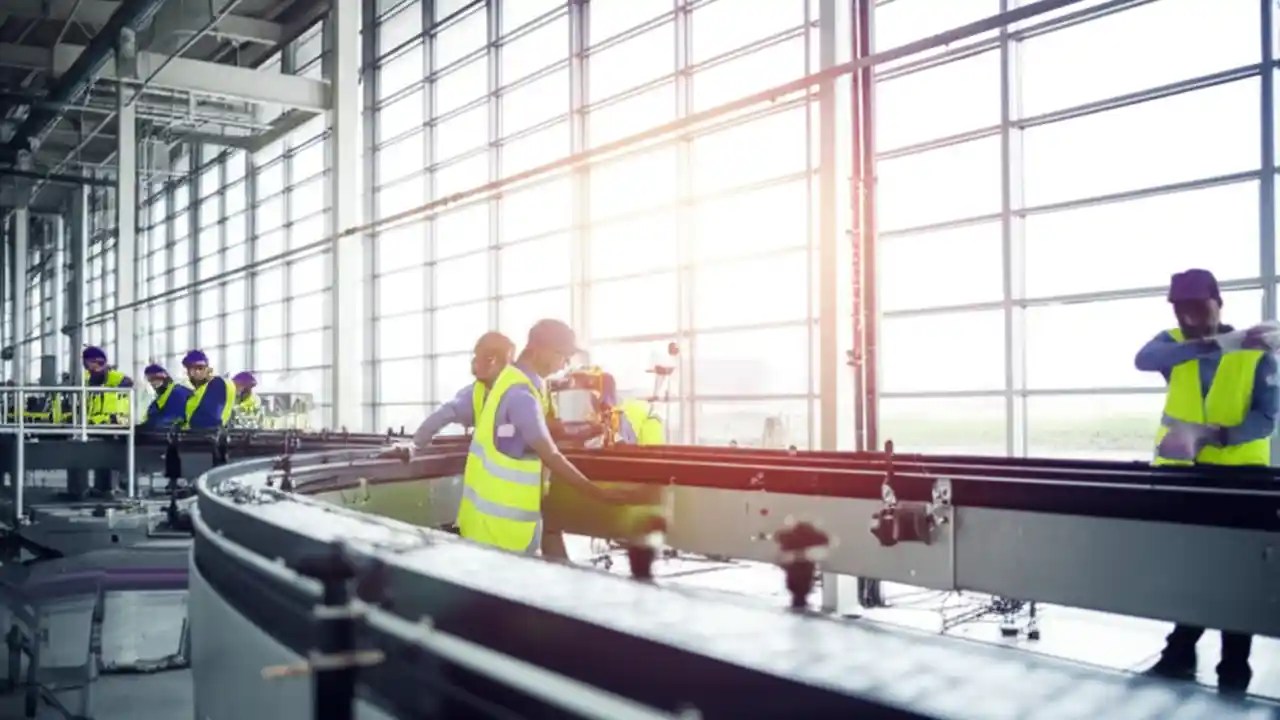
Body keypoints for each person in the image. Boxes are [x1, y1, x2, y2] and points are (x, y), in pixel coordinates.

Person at [1135, 268, 1278, 694]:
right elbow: (1144, 360)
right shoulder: (1175, 345)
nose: (1189, 316)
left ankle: (1233, 665)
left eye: (1198, 305)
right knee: (1192, 568)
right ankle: (1180, 651)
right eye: (1181, 308)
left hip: (1240, 477)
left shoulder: (1257, 352)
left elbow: (1265, 419)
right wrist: (1218, 343)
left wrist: (1208, 436)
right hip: (1182, 477)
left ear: (1219, 302)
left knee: (1234, 572)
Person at [457, 319, 649, 554]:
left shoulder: (522, 383)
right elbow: (550, 454)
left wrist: (584, 430)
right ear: (540, 349)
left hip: (496, 524)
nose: (564, 364)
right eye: (562, 355)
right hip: (497, 530)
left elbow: (533, 432)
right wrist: (599, 493)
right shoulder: (521, 393)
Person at [409, 331, 516, 452]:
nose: (476, 363)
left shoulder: (522, 393)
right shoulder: (473, 396)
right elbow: (443, 415)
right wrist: (414, 445)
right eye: (477, 357)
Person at [181, 350, 233, 429]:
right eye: (190, 369)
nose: (195, 373)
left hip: (210, 437)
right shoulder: (196, 393)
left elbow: (208, 419)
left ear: (207, 369)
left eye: (200, 368)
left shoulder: (218, 384)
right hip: (196, 437)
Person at [81, 346, 133, 424]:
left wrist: (110, 389)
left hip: (114, 423)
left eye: (89, 363)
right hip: (94, 422)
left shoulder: (113, 376)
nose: (88, 367)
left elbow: (129, 382)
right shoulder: (87, 378)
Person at [138, 364, 192, 431]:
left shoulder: (178, 393)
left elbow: (173, 420)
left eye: (156, 379)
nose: (153, 383)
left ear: (165, 378)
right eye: (150, 380)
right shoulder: (158, 401)